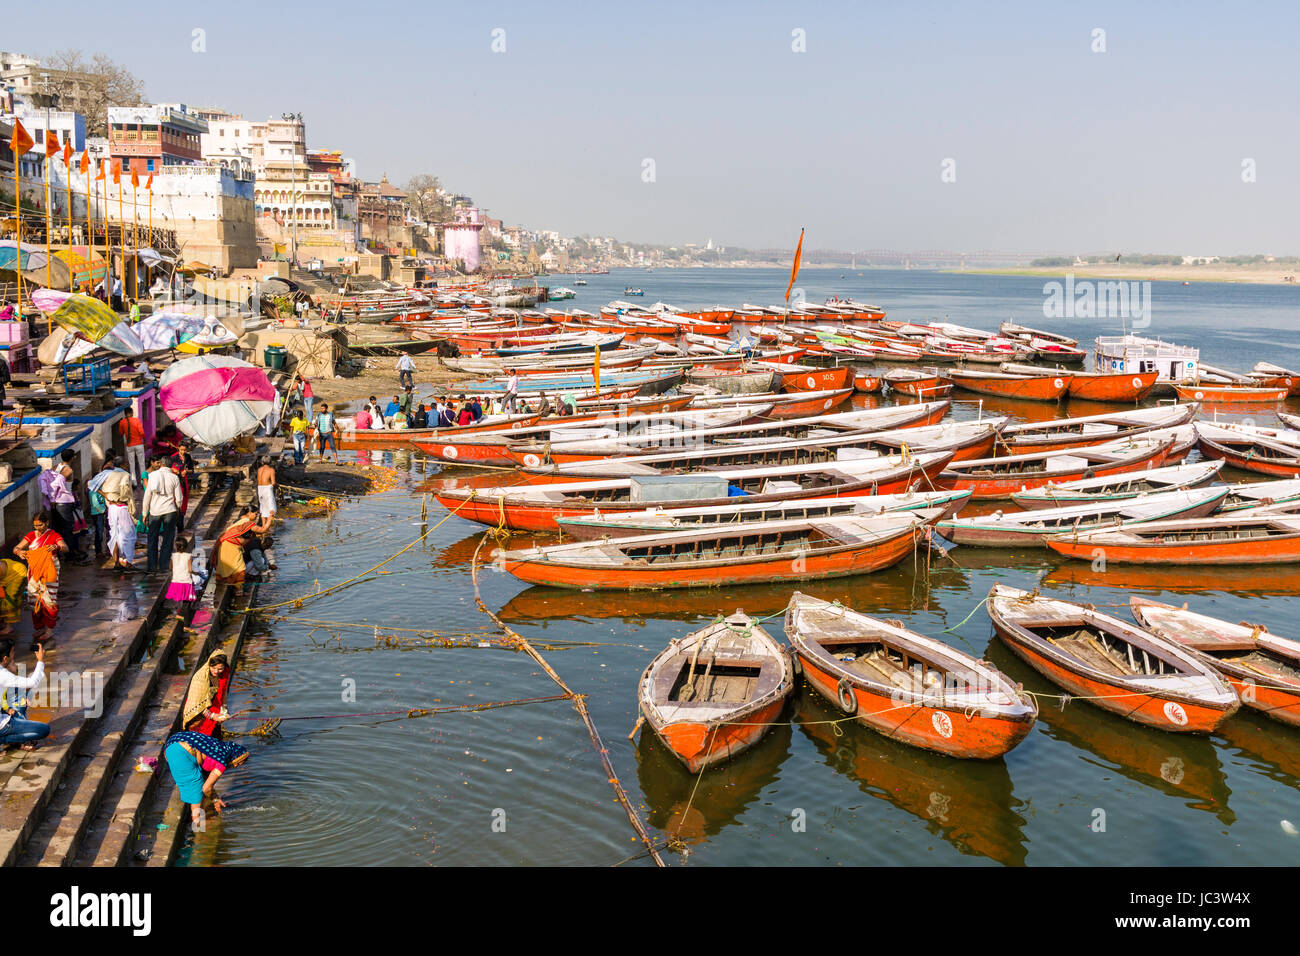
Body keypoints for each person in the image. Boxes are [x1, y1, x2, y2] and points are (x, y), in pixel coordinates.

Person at [163, 729, 249, 830]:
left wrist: (215, 797)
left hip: (175, 742)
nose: (235, 765)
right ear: (233, 756)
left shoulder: (221, 748)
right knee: (196, 786)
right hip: (179, 753)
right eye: (238, 762)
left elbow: (208, 782)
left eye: (239, 764)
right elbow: (206, 788)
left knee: (200, 779)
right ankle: (197, 824)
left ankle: (197, 816)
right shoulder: (222, 763)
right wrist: (215, 799)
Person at [14, 511, 67, 645]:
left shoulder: (53, 535)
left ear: (47, 523)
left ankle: (49, 629)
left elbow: (65, 547)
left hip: (49, 571)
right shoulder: (31, 536)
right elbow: (17, 548)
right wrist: (19, 552)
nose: (37, 528)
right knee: (33, 600)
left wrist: (56, 546)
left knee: (49, 600)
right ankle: (40, 627)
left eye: (40, 525)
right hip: (34, 572)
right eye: (35, 526)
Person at [0, 641, 49, 751]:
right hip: (2, 724)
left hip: (5, 710)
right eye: (12, 653)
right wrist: (40, 660)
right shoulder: (2, 674)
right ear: (4, 658)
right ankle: (5, 740)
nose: (13, 656)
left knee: (21, 697)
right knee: (44, 729)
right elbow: (32, 682)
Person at [142, 454, 184, 574]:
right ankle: (164, 565)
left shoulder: (152, 475)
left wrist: (145, 514)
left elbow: (147, 496)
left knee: (152, 539)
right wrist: (179, 509)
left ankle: (152, 566)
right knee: (168, 539)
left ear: (161, 464)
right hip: (170, 510)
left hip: (155, 511)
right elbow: (179, 498)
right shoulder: (174, 477)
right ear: (170, 465)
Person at [215, 506, 272, 584]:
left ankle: (231, 582)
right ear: (249, 513)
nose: (257, 516)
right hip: (231, 545)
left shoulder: (239, 521)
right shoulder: (248, 524)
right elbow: (263, 530)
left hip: (228, 544)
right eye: (256, 514)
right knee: (239, 567)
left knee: (230, 565)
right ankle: (239, 590)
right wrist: (271, 516)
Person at [98, 460, 137, 571]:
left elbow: (92, 484)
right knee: (129, 535)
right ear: (123, 465)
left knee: (115, 535)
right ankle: (128, 563)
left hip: (111, 507)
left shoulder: (108, 474)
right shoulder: (125, 475)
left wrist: (107, 496)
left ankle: (117, 563)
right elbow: (126, 490)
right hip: (122, 507)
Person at [184, 651, 232, 737]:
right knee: (199, 740)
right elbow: (198, 704)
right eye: (213, 668)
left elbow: (224, 690)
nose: (216, 671)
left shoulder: (224, 672)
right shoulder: (200, 679)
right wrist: (212, 716)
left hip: (214, 707)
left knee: (215, 738)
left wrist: (224, 709)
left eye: (220, 668)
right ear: (209, 664)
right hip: (198, 714)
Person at [86, 456, 123, 559]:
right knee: (99, 531)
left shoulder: (105, 486)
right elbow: (95, 503)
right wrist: (105, 508)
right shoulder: (94, 488)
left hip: (105, 510)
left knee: (109, 530)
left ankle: (109, 549)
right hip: (98, 513)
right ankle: (98, 551)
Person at [167, 532, 199, 619]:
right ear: (186, 546)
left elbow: (170, 567)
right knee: (186, 598)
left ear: (175, 547)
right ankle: (184, 613)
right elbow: (190, 570)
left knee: (178, 597)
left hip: (176, 580)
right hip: (186, 580)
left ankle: (178, 611)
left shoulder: (173, 556)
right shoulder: (189, 556)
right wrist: (196, 573)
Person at [118, 407, 147, 486]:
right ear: (131, 413)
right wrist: (145, 442)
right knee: (141, 463)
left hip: (129, 445)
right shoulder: (136, 420)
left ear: (125, 414)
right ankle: (143, 480)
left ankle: (134, 481)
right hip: (139, 444)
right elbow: (142, 433)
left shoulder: (122, 422)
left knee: (132, 463)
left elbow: (120, 433)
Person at [0, 559, 27, 638]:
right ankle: (3, 622)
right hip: (5, 576)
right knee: (2, 600)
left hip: (18, 574)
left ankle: (8, 627)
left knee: (10, 600)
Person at [169, 441, 195, 520]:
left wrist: (186, 471)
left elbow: (192, 470)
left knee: (184, 497)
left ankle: (181, 515)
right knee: (175, 497)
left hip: (184, 480)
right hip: (175, 480)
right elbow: (168, 468)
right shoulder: (173, 457)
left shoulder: (188, 457)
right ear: (178, 448)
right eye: (181, 450)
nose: (183, 452)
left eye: (185, 450)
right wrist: (176, 471)